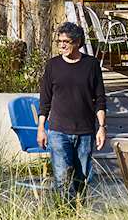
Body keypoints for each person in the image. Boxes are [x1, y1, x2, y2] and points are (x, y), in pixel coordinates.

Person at [37, 21, 107, 203]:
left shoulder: (91, 65)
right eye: (59, 41)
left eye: (66, 41)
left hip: (85, 131)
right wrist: (41, 128)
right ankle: (64, 214)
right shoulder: (53, 65)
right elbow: (44, 100)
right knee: (62, 177)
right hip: (58, 131)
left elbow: (100, 98)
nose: (62, 45)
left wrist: (101, 127)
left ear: (77, 42)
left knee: (82, 177)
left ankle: (79, 213)